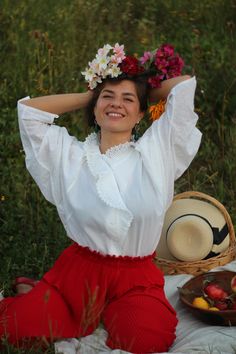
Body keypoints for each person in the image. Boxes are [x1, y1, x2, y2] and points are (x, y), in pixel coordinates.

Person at [0, 43, 202, 353]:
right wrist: (94, 92)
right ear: (94, 109)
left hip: (136, 277)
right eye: (107, 97)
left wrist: (142, 86)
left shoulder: (157, 151)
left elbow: (184, 85)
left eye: (128, 99)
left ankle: (82, 302)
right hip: (78, 274)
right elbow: (29, 112)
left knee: (146, 341)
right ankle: (41, 293)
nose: (116, 104)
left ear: (140, 114)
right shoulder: (70, 156)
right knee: (13, 329)